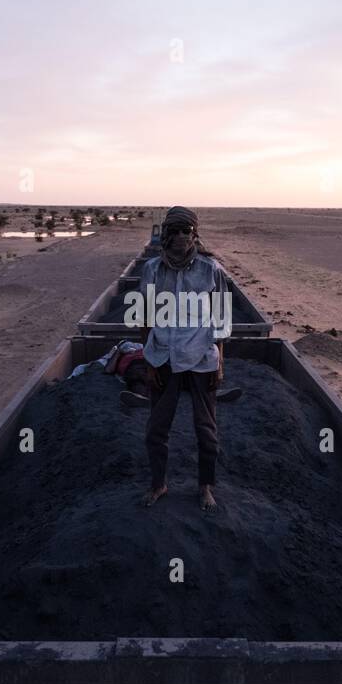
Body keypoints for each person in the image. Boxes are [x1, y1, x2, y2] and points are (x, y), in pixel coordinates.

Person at [135, 206, 232, 511]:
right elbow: (144, 318)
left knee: (206, 429)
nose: (180, 237)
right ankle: (158, 484)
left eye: (186, 231)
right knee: (156, 428)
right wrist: (148, 361)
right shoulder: (152, 270)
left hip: (201, 357)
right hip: (163, 357)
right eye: (174, 231)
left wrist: (219, 360)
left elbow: (222, 318)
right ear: (166, 234)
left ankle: (205, 486)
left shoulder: (210, 270)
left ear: (194, 234)